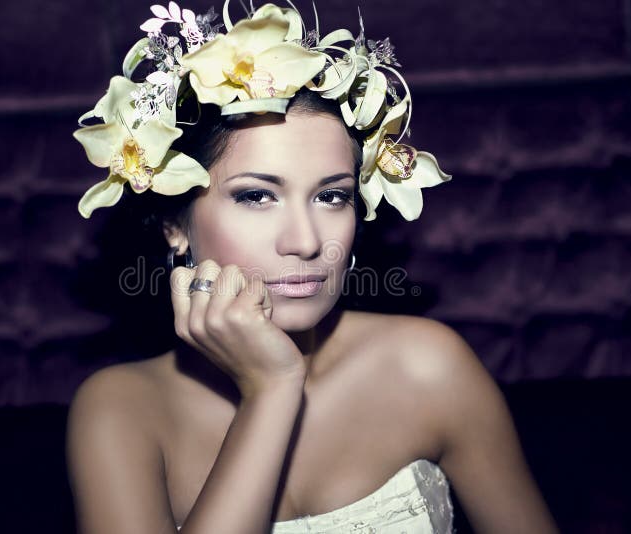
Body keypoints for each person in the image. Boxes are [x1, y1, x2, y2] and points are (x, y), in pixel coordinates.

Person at [65, 2, 559, 533]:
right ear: (174, 225)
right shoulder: (120, 412)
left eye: (331, 196)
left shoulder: (427, 367)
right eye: (257, 195)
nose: (305, 242)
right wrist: (272, 390)